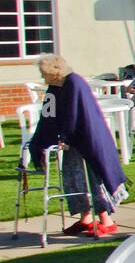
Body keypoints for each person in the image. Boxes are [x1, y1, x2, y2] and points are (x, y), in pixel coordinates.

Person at [23, 54, 129, 238]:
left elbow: (75, 114)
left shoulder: (74, 83)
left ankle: (107, 221)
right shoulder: (56, 86)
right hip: (72, 142)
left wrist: (65, 137)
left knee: (93, 179)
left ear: (54, 71)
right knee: (74, 178)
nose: (42, 77)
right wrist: (42, 140)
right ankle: (86, 218)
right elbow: (50, 114)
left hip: (88, 140)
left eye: (44, 73)